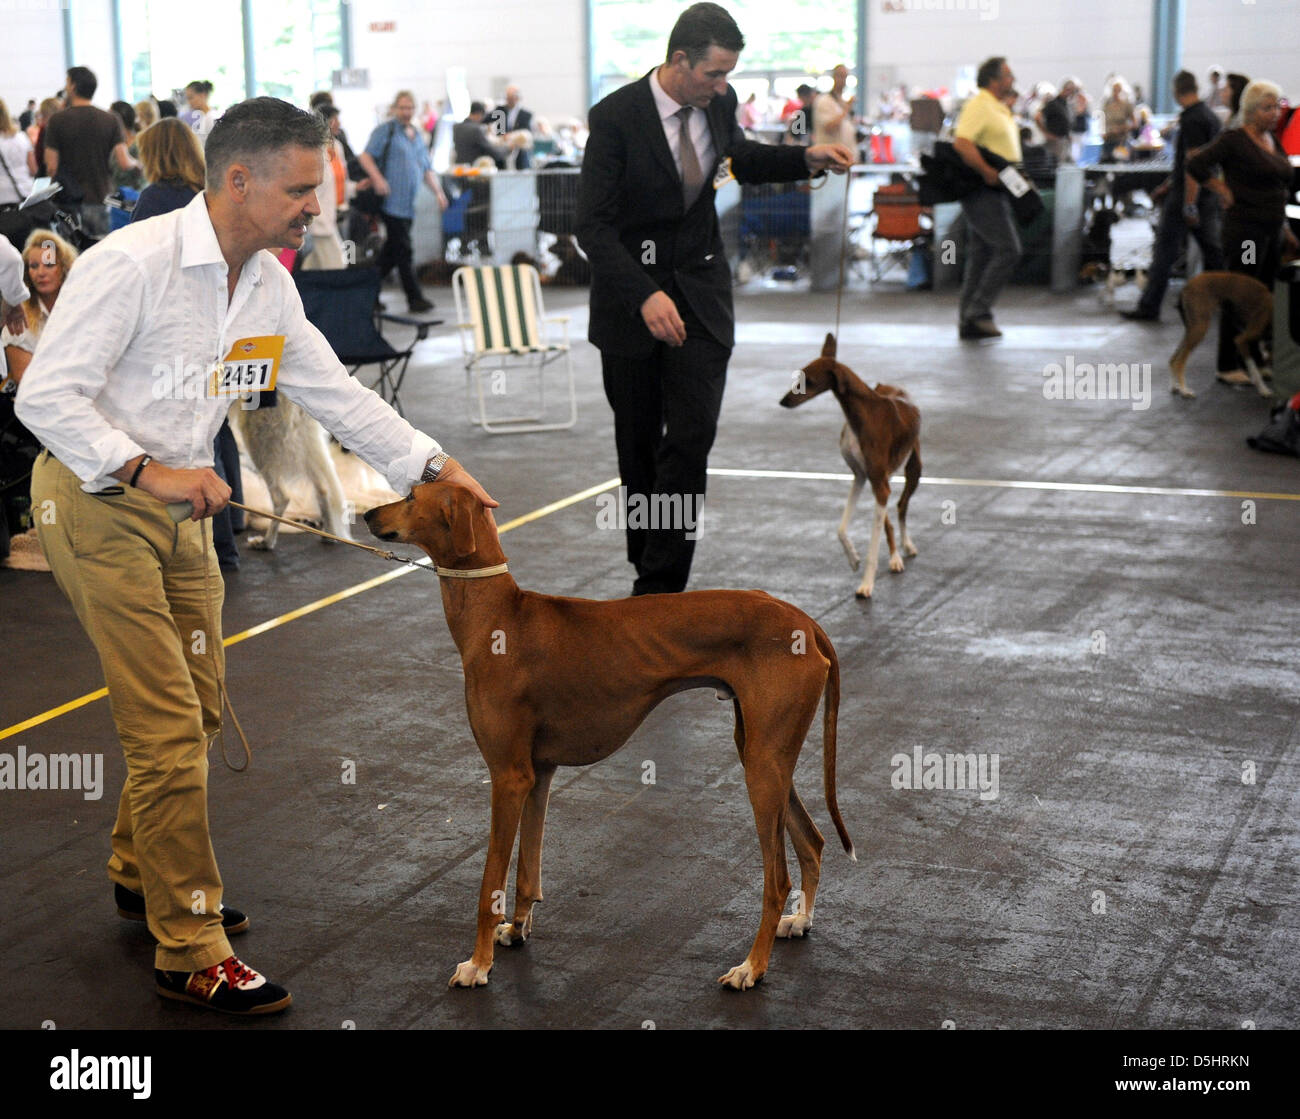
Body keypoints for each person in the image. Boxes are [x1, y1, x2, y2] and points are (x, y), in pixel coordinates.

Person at [15, 96, 496, 1016]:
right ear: (239, 180)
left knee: (199, 708)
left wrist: (434, 466)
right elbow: (45, 399)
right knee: (166, 726)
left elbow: (334, 392)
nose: (317, 205)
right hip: (93, 500)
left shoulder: (268, 284)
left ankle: (139, 867)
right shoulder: (130, 264)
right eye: (302, 189)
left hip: (183, 511)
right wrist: (147, 469)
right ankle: (189, 942)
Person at [575, 2, 853, 596]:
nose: (724, 86)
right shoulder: (616, 117)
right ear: (680, 60)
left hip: (701, 297)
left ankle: (660, 587)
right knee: (639, 447)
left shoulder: (717, 105)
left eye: (728, 74)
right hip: (631, 306)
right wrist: (645, 294)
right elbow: (592, 227)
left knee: (691, 435)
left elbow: (740, 157)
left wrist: (805, 156)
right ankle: (648, 563)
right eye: (715, 73)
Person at [1188, 79, 1297, 384]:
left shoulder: (1271, 140)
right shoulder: (1234, 140)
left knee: (1264, 296)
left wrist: (1285, 228)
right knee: (1241, 291)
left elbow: (1281, 182)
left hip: (1272, 231)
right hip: (1247, 234)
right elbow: (1196, 164)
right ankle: (1227, 364)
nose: (1274, 113)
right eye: (1267, 108)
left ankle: (1254, 358)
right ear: (1251, 110)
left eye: (1277, 107)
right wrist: (1220, 188)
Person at [1123, 71, 1223, 322]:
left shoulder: (1192, 119)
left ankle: (1149, 306)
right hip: (1204, 195)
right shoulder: (1209, 116)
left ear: (1176, 91)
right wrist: (1168, 185)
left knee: (1165, 252)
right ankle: (1229, 301)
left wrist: (1189, 204)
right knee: (1214, 253)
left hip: (1187, 198)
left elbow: (1193, 164)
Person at [951, 56, 1022, 340]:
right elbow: (962, 142)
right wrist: (986, 170)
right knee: (1009, 249)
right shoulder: (980, 104)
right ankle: (978, 312)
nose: (1012, 79)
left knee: (981, 255)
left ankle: (968, 320)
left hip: (997, 189)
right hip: (982, 189)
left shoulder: (997, 106)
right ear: (993, 80)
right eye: (1008, 75)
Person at [359, 90, 447, 313]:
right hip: (390, 202)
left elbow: (426, 168)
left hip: (408, 204)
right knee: (404, 250)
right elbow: (366, 156)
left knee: (392, 253)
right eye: (402, 107)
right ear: (394, 109)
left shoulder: (416, 135)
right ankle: (414, 298)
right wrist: (378, 179)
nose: (406, 112)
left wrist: (438, 193)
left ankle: (366, 293)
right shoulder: (385, 131)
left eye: (409, 108)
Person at [43, 67, 138, 241]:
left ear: (73, 86)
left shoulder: (57, 121)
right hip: (101, 197)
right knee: (101, 249)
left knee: (71, 251)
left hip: (68, 202)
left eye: (67, 82)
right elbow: (124, 162)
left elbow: (51, 167)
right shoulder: (111, 119)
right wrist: (140, 163)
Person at [2, 228, 77, 384]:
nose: (41, 273)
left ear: (64, 268)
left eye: (49, 265)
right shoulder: (18, 323)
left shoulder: (83, 309)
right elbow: (26, 382)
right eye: (34, 266)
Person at [484, 86, 533, 168]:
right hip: (502, 148)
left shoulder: (526, 114)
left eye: (511, 98)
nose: (509, 100)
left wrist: (510, 137)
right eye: (507, 98)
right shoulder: (500, 110)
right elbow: (485, 120)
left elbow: (526, 133)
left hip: (518, 151)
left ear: (517, 98)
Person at [452, 101, 511, 168]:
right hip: (474, 169)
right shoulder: (476, 130)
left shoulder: (456, 127)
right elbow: (493, 152)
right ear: (479, 114)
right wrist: (508, 148)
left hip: (459, 168)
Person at [812, 63, 856, 148]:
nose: (843, 80)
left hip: (845, 151)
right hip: (829, 152)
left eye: (845, 77)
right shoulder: (824, 101)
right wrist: (846, 109)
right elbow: (829, 127)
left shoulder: (842, 101)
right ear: (834, 77)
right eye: (840, 76)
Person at [1037, 80, 1075, 165]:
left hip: (1064, 140)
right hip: (1054, 141)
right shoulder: (1053, 103)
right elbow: (1038, 116)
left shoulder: (1066, 104)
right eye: (1070, 90)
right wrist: (1046, 133)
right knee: (1054, 164)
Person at [1101, 77, 1136, 161]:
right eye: (1114, 90)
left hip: (1121, 140)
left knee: (1121, 163)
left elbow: (1134, 123)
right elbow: (1101, 120)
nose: (1116, 93)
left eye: (1118, 90)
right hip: (1108, 139)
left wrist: (1121, 129)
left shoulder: (1126, 104)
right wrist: (1103, 132)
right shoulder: (1106, 104)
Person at [185, 80, 217, 147]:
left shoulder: (212, 117)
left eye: (191, 98)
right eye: (187, 99)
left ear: (202, 95)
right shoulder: (201, 117)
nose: (189, 102)